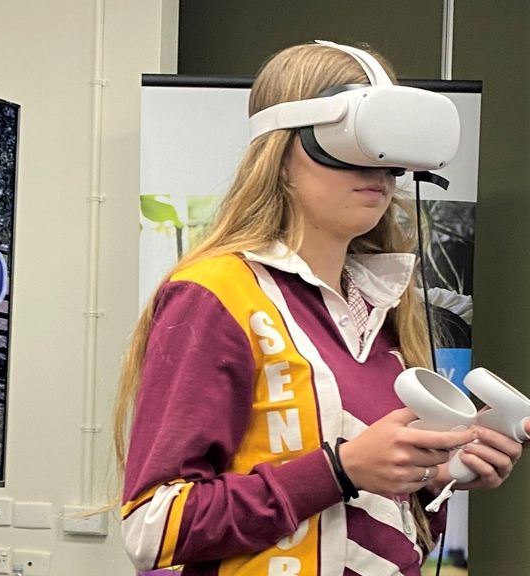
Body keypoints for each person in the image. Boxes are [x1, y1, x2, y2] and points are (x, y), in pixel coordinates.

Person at [114, 40, 527, 576]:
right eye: (349, 142)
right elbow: (153, 527)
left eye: (390, 149)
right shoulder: (216, 294)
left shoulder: (385, 311)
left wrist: (435, 475)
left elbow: (371, 534)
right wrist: (340, 469)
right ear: (280, 154)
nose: (378, 168)